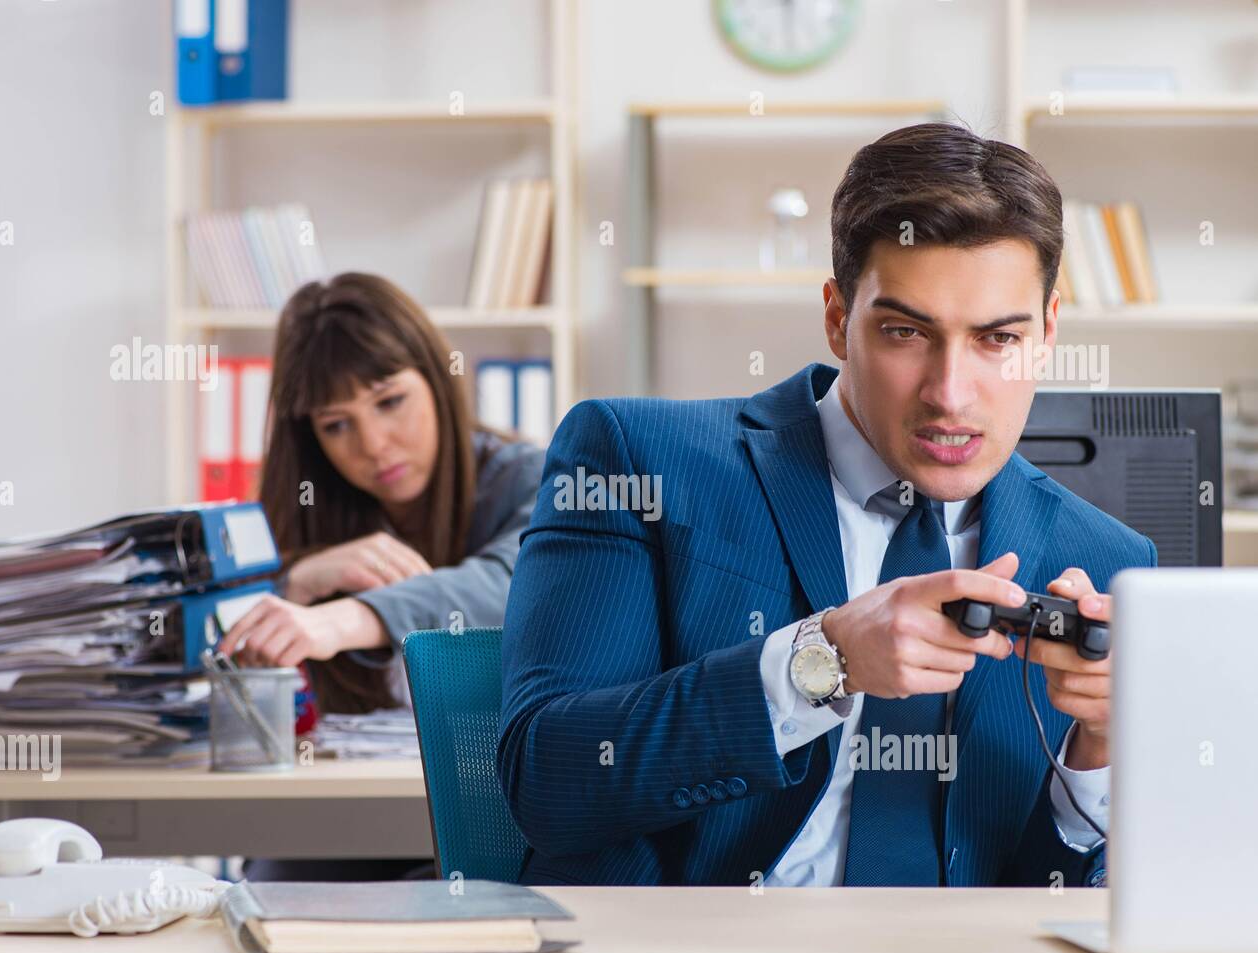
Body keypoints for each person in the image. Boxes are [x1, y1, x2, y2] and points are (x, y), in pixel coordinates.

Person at [498, 122, 1158, 889]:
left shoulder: (1111, 561)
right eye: (906, 332)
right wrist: (823, 662)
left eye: (996, 339)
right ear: (839, 319)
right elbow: (547, 782)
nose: (950, 393)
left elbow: (1052, 896)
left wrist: (1098, 752)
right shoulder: (635, 460)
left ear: (1046, 333)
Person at [224, 271, 545, 880]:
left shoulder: (526, 478)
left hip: (495, 817)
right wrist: (297, 582)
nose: (373, 445)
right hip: (334, 819)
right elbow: (221, 639)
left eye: (390, 401)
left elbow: (515, 583)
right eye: (335, 425)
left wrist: (345, 619)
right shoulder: (308, 506)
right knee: (272, 892)